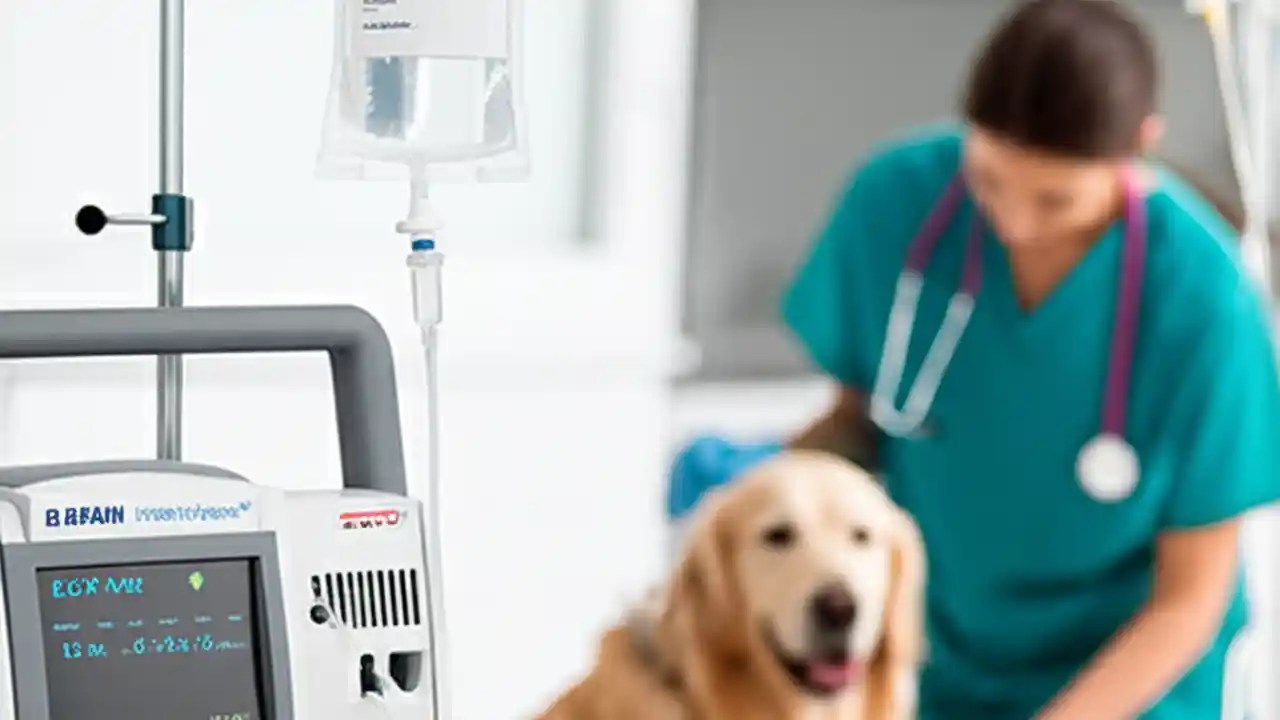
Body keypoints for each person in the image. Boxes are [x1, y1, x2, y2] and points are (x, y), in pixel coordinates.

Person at [669, 1, 1280, 718]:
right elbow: (864, 420)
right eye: (990, 181)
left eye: (1055, 200)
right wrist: (762, 489)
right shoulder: (896, 202)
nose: (1016, 222)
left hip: (1132, 684)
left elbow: (1189, 599)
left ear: (1139, 147)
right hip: (937, 660)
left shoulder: (1203, 301)